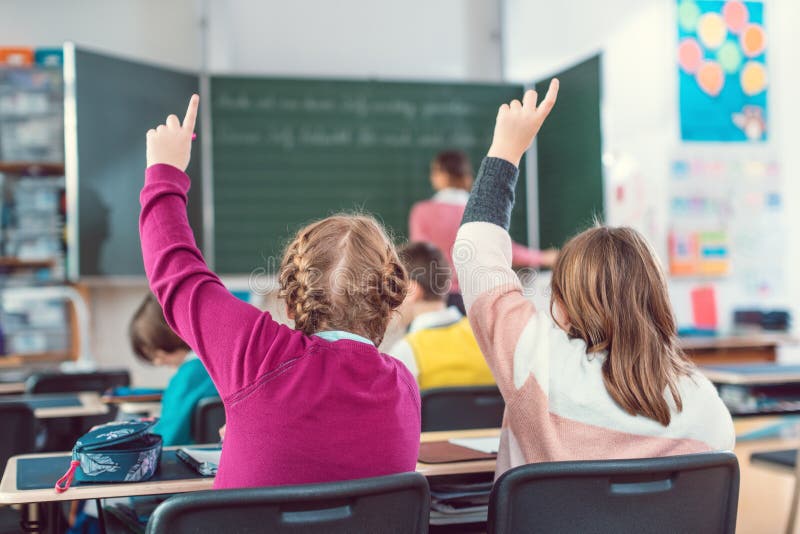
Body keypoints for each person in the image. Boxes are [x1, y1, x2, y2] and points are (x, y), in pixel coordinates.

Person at [453, 80, 734, 477]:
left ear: (563, 305)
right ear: (656, 299)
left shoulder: (537, 363)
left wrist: (506, 152)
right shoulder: (707, 408)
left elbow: (475, 249)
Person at [140, 95, 420, 488]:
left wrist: (165, 171)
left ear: (290, 302)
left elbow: (177, 273)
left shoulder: (257, 356)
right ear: (388, 306)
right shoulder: (403, 386)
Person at [409, 149, 557, 313]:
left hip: (434, 301)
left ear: (442, 175)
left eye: (434, 172)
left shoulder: (421, 212)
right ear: (466, 176)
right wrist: (543, 257)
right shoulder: (481, 212)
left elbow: (420, 257)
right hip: (476, 299)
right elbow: (505, 251)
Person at [389, 242, 493, 389]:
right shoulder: (485, 336)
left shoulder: (405, 352)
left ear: (411, 290)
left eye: (393, 288)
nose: (388, 299)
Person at [129, 293, 218, 446]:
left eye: (156, 354)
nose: (158, 362)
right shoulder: (226, 365)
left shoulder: (185, 379)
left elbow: (167, 440)